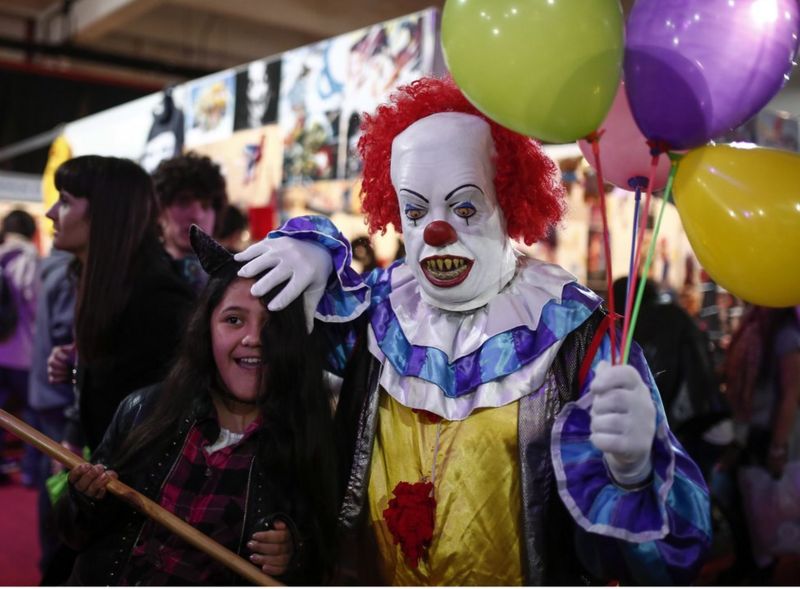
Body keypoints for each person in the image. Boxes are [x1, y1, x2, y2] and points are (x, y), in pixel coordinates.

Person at [236, 77, 711, 584]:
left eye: (465, 208)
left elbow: (674, 560)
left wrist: (635, 476)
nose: (436, 232)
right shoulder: (378, 314)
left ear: (510, 204)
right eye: (415, 211)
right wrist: (310, 247)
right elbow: (269, 378)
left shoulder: (580, 339)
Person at [55, 226, 339, 585]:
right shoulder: (144, 410)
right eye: (233, 320)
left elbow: (325, 549)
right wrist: (85, 499)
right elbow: (74, 534)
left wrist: (294, 553)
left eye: (273, 325)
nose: (253, 339)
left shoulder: (309, 435)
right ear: (207, 329)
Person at [45, 155, 194, 455]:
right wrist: (79, 371)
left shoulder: (159, 300)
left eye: (64, 201)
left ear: (105, 213)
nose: (50, 213)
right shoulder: (100, 282)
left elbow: (165, 411)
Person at [27, 248, 76, 573]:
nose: (54, 215)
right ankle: (54, 565)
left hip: (47, 393)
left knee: (54, 477)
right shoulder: (70, 274)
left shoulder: (54, 267)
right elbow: (69, 342)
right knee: (61, 484)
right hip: (64, 399)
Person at [0, 209, 39, 484]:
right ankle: (29, 470)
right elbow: (35, 301)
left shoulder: (2, 254)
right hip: (23, 352)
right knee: (32, 414)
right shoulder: (29, 257)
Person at [152, 152, 228, 293]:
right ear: (160, 209)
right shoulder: (142, 276)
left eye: (206, 205)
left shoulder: (236, 273)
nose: (197, 215)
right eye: (183, 202)